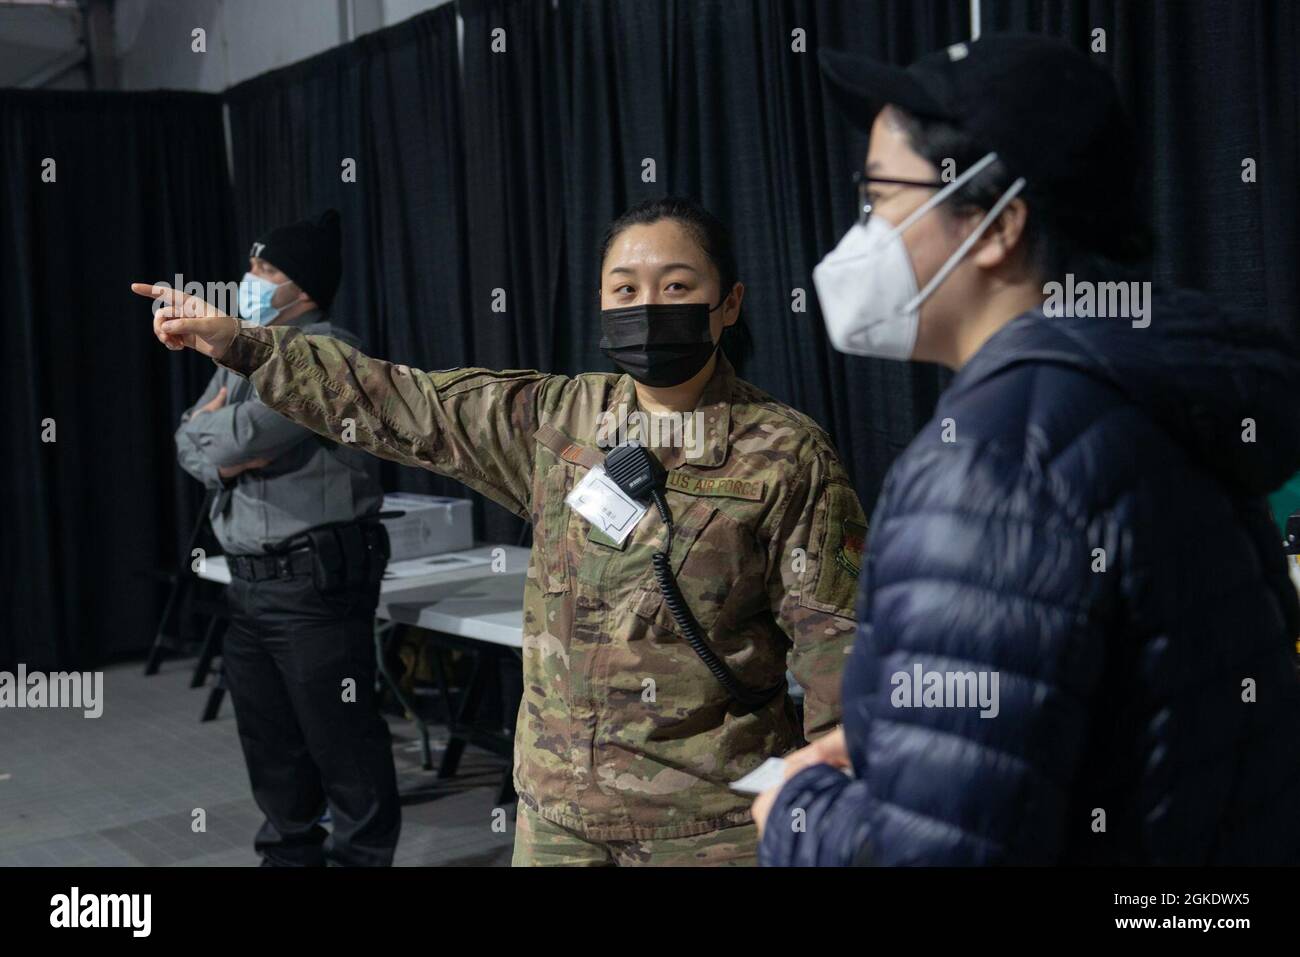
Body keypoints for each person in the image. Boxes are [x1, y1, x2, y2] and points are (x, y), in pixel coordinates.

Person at [135, 197, 865, 867]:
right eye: (625, 289)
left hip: (710, 829)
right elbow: (401, 399)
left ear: (727, 302)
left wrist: (830, 814)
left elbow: (840, 648)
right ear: (601, 302)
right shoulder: (558, 422)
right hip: (556, 820)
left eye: (677, 287)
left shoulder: (784, 454)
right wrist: (245, 343)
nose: (648, 306)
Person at [755, 34, 1300, 865]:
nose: (859, 235)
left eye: (881, 198)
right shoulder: (1140, 398)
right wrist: (919, 757)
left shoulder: (997, 462)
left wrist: (798, 810)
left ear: (998, 223)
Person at [172, 210, 400, 866]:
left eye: (267, 269)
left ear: (303, 286)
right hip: (250, 582)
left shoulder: (327, 352)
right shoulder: (243, 346)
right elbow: (191, 442)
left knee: (343, 740)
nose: (250, 278)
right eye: (254, 266)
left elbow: (238, 438)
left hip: (312, 580)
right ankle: (288, 856)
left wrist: (220, 438)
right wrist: (218, 439)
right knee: (272, 742)